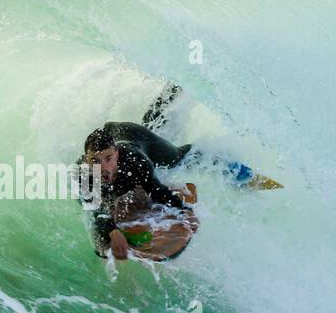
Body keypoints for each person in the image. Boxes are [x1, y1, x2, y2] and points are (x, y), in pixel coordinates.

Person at [78, 84, 281, 259]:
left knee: (176, 157)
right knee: (152, 125)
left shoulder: (134, 159)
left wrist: (185, 212)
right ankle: (172, 92)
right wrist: (112, 232)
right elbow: (94, 209)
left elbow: (156, 190)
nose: (103, 168)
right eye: (95, 161)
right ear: (87, 160)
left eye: (108, 159)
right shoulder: (83, 174)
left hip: (136, 136)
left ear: (117, 155)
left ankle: (234, 171)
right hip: (115, 135)